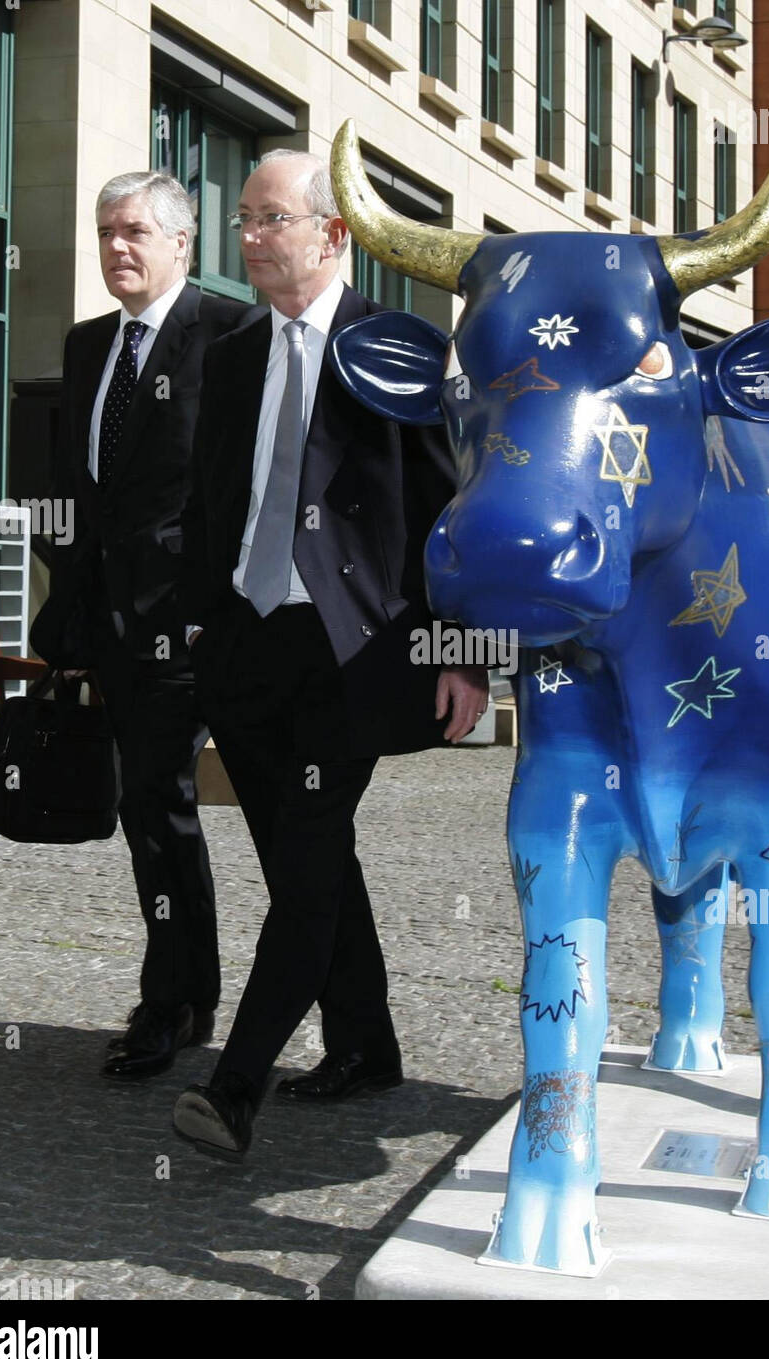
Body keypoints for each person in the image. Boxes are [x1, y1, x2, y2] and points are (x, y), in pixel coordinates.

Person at [172, 150, 487, 1161]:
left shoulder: (395, 351)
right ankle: (367, 1043)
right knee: (312, 858)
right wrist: (190, 639)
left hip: (347, 656)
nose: (253, 239)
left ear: (331, 234)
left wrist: (464, 650)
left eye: (272, 219)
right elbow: (210, 510)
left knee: (303, 873)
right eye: (247, 223)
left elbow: (453, 514)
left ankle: (232, 1090)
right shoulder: (229, 356)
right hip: (247, 647)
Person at [30, 172, 263, 1079]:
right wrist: (70, 603)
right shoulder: (90, 345)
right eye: (104, 233)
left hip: (200, 623)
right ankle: (182, 996)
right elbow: (72, 482)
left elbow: (238, 488)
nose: (117, 248)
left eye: (133, 232)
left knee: (213, 814)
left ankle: (207, 1005)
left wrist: (210, 609)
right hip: (115, 630)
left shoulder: (231, 333)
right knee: (149, 811)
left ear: (181, 242)